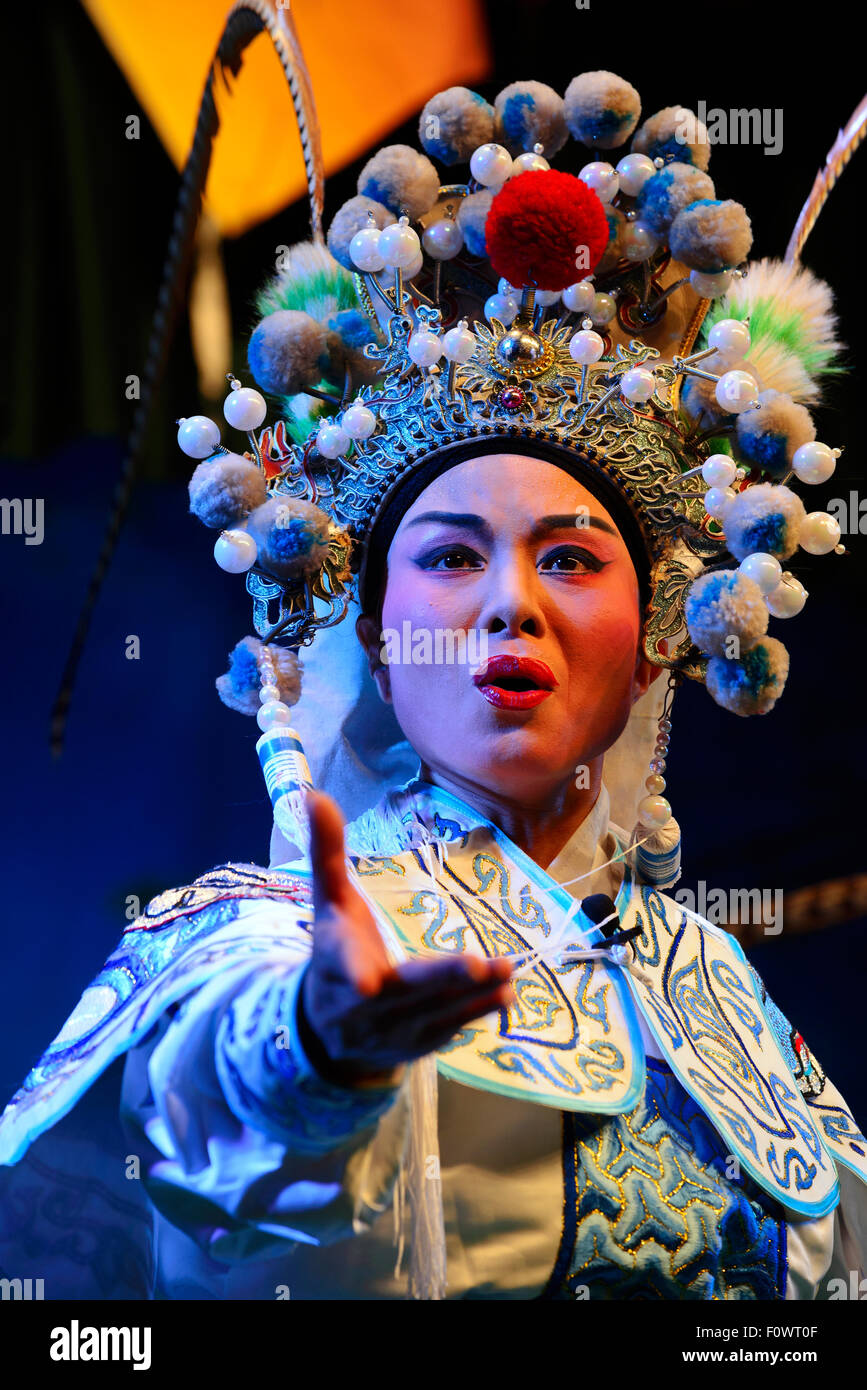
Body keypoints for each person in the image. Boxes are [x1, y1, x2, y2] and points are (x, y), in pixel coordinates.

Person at [1, 57, 866, 1301]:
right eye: (454, 556)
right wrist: (315, 1057)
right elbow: (214, 1131)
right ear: (374, 629)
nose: (511, 600)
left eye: (571, 557)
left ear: (660, 633)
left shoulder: (719, 990)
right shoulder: (274, 932)